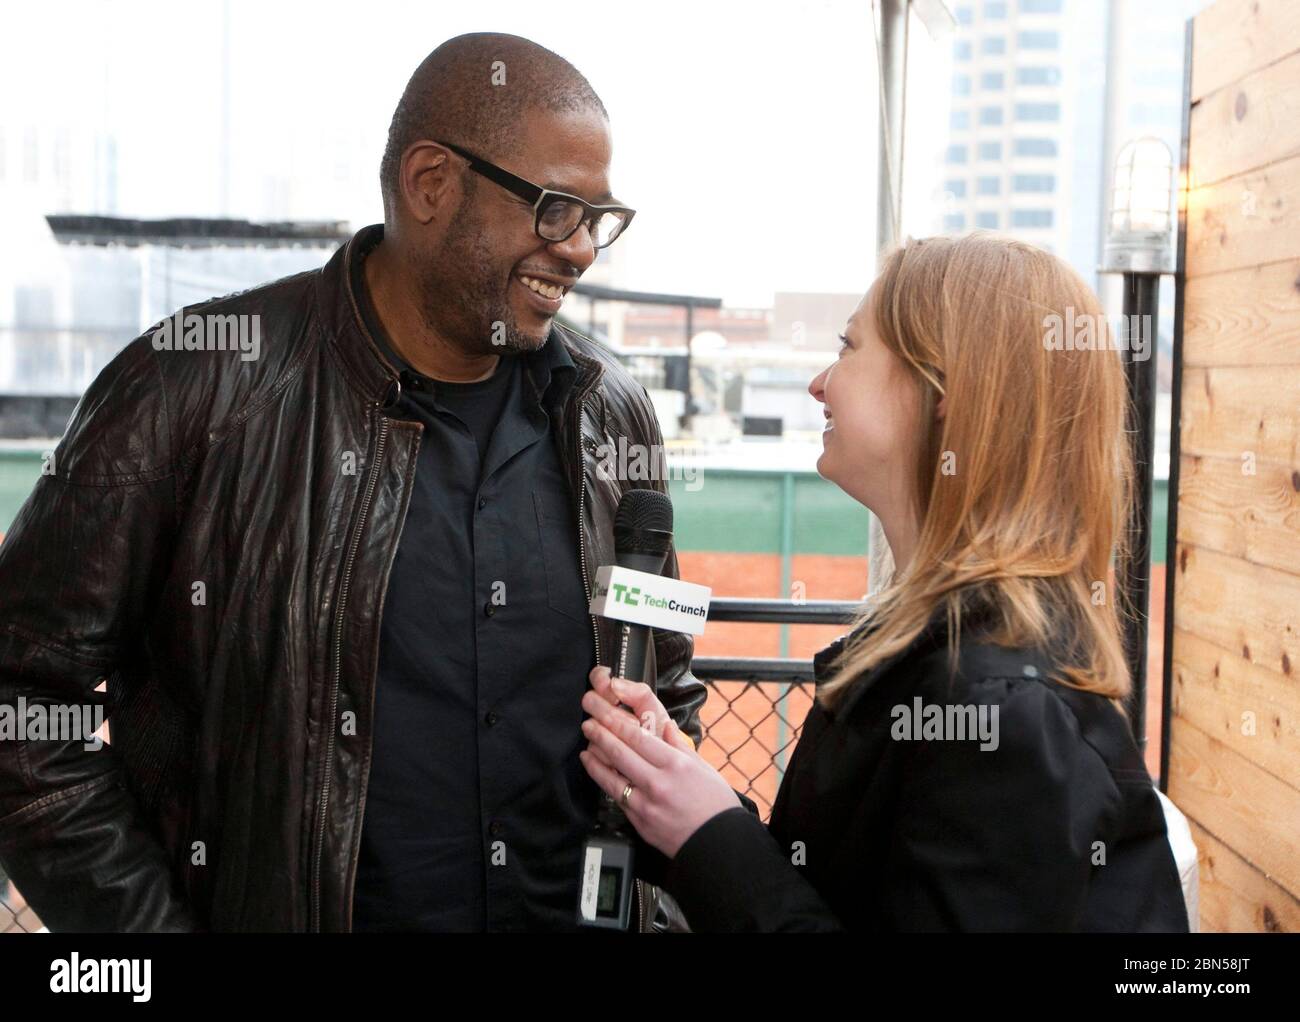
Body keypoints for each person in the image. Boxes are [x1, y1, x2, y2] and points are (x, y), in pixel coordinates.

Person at [0, 32, 705, 932]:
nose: (582, 252)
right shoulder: (195, 384)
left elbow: (668, 686)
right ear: (430, 182)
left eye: (600, 219)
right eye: (558, 208)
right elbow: (20, 696)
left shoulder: (616, 414)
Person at [579, 232, 1191, 932]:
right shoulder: (947, 661)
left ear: (940, 388)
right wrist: (683, 797)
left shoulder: (1003, 710)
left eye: (848, 348)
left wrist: (709, 833)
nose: (819, 383)